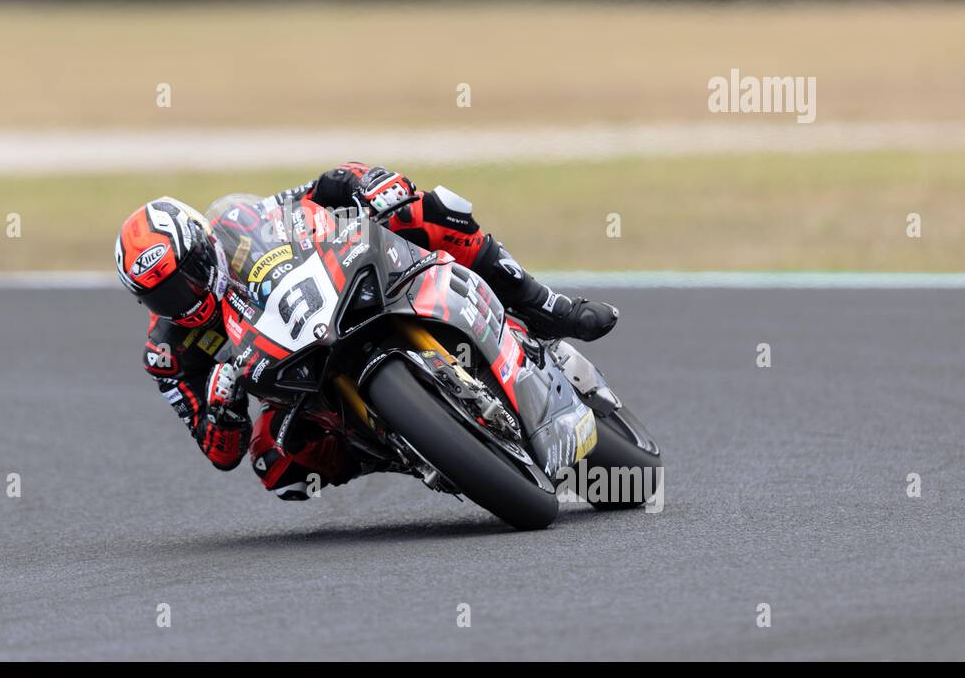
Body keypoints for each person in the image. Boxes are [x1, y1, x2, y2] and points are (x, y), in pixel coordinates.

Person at [114, 163, 618, 500]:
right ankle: (403, 447)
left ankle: (541, 302)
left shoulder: (241, 221)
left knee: (429, 210)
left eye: (190, 272)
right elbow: (218, 452)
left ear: (204, 245)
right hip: (291, 378)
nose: (186, 293)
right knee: (275, 467)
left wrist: (369, 182)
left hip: (337, 292)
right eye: (165, 295)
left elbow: (318, 190)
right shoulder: (169, 353)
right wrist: (223, 408)